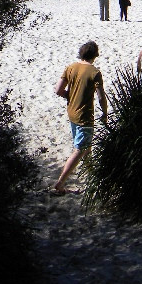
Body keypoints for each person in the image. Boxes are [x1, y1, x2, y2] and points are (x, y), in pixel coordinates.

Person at [52, 40, 107, 195]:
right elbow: (101, 97)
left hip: (72, 113)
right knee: (80, 149)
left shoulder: (71, 67)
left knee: (86, 148)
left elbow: (58, 90)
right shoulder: (95, 73)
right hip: (84, 116)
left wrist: (70, 96)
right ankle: (60, 183)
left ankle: (93, 179)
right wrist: (105, 113)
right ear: (95, 55)